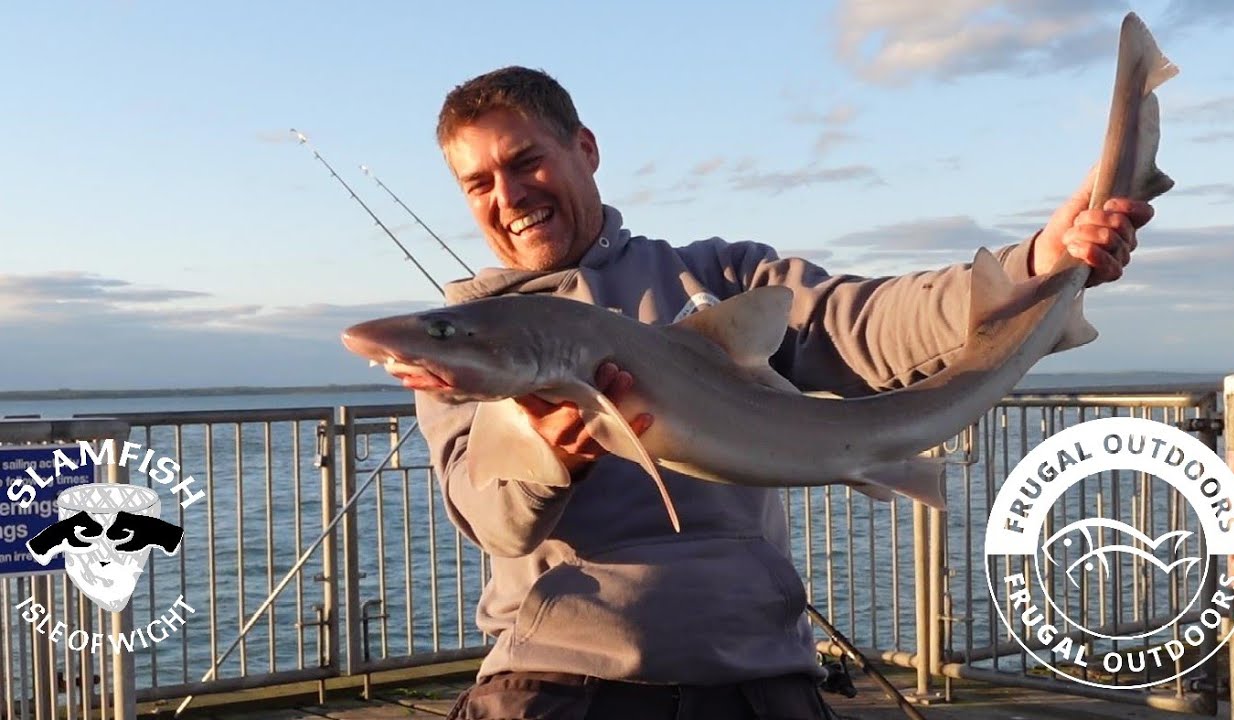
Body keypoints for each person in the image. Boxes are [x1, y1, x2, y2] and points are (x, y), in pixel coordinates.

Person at [401, 66, 1152, 720]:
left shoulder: (719, 279)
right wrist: (549, 457)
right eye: (479, 183)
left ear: (585, 149)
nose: (509, 194)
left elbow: (867, 323)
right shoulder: (464, 348)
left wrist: (1035, 267)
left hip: (757, 675)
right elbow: (491, 519)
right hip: (561, 679)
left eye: (526, 160)